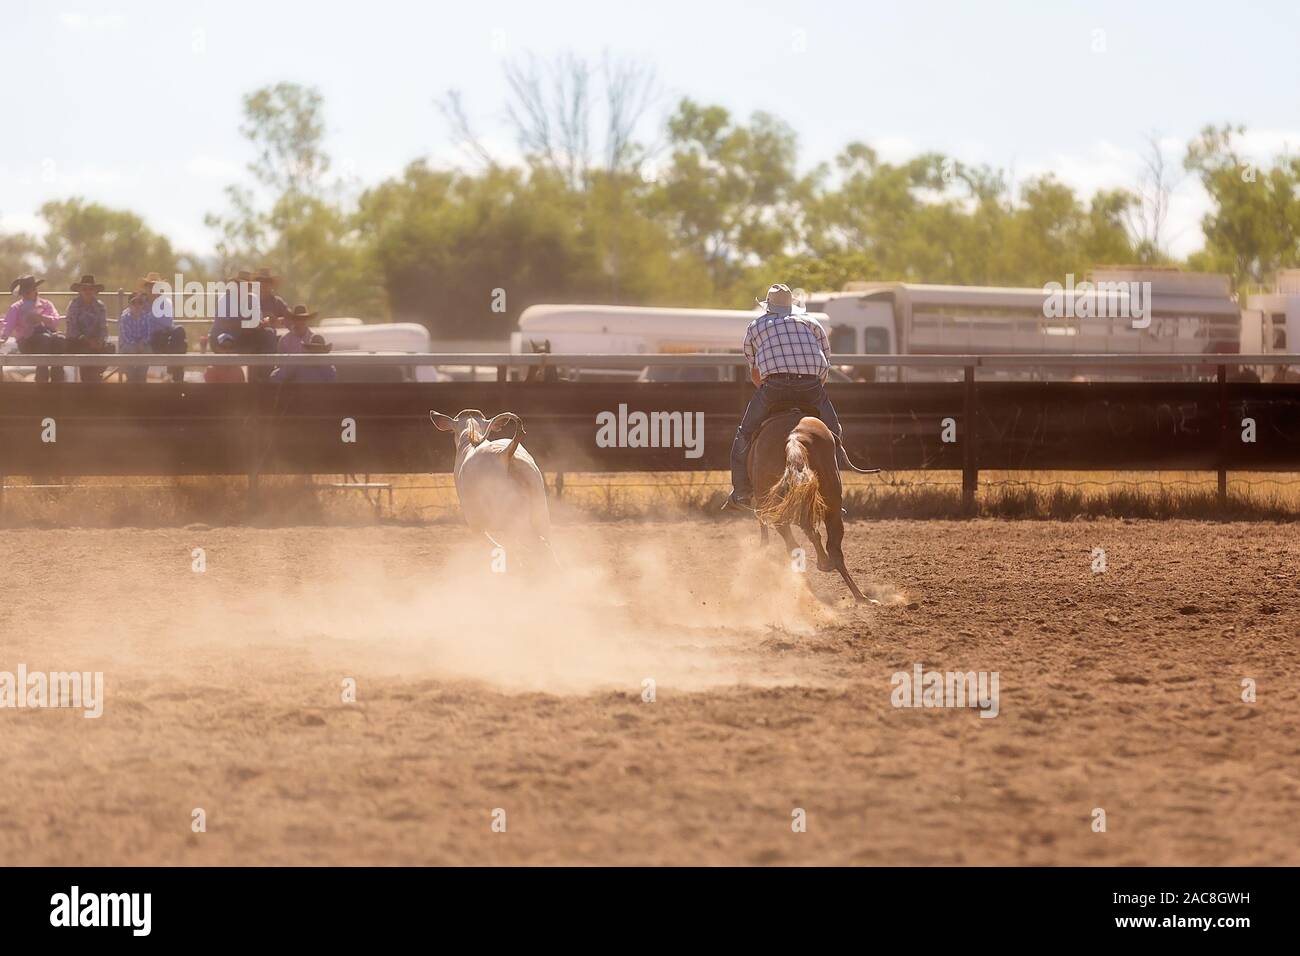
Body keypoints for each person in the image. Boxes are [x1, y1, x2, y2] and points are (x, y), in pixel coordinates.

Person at [725, 283, 845, 510]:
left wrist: (771, 388)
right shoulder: (812, 322)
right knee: (834, 432)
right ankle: (833, 492)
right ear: (792, 304)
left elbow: (755, 371)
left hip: (774, 387)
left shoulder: (756, 326)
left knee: (744, 434)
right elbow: (825, 366)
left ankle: (741, 491)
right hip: (811, 387)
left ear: (768, 306)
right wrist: (809, 388)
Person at [210, 269, 276, 381]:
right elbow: (224, 324)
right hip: (224, 337)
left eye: (246, 286)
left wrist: (261, 324)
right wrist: (248, 324)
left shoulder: (253, 299)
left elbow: (256, 321)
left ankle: (264, 378)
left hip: (244, 337)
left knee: (268, 333)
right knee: (225, 338)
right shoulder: (225, 299)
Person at [2, 275, 65, 383]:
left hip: (47, 337)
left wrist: (41, 318)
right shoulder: (16, 307)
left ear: (35, 290)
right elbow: (8, 325)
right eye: (23, 292)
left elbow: (56, 320)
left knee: (60, 339)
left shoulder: (46, 304)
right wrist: (3, 338)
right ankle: (42, 378)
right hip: (27, 342)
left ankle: (58, 379)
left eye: (28, 291)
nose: (26, 295)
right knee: (44, 339)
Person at [65, 274, 114, 383]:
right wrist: (87, 340)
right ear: (80, 291)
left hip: (96, 341)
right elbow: (72, 328)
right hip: (77, 341)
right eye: (84, 289)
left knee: (110, 348)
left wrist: (100, 341)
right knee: (86, 352)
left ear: (94, 291)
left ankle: (95, 377)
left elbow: (103, 327)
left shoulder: (100, 306)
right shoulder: (74, 305)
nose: (87, 291)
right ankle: (90, 383)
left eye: (90, 289)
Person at [141, 272, 187, 383]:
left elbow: (167, 322)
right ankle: (175, 375)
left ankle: (176, 376)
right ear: (146, 288)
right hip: (149, 338)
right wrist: (155, 317)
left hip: (162, 337)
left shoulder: (165, 302)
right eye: (150, 286)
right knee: (179, 343)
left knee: (179, 332)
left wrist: (150, 316)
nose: (153, 289)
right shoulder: (140, 302)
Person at [271, 305, 336, 382]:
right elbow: (277, 371)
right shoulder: (284, 340)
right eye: (298, 319)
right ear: (293, 320)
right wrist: (293, 363)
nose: (302, 321)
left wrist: (317, 360)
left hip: (315, 385)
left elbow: (331, 374)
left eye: (304, 319)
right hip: (293, 385)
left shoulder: (316, 339)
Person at [117, 292, 153, 383]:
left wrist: (142, 342)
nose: (137, 305)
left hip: (142, 344)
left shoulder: (146, 316)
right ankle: (131, 377)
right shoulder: (125, 317)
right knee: (128, 350)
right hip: (129, 344)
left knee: (148, 350)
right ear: (129, 304)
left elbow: (148, 334)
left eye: (140, 303)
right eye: (134, 303)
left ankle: (141, 376)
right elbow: (126, 337)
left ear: (143, 305)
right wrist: (136, 345)